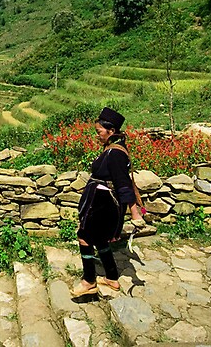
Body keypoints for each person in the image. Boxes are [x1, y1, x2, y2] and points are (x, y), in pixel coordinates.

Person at [72, 106, 144, 297]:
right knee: (100, 238)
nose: (97, 135)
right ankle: (111, 277)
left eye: (99, 132)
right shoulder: (112, 149)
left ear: (111, 131)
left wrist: (135, 213)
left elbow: (124, 184)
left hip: (104, 205)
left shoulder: (116, 154)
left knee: (84, 237)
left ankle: (89, 280)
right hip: (101, 202)